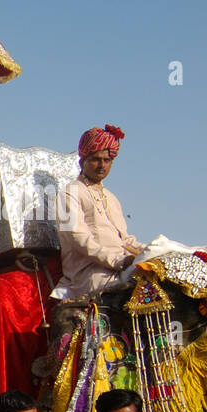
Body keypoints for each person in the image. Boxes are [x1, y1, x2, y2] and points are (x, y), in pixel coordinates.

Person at [54, 125, 145, 299]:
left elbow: (124, 240)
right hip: (89, 272)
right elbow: (78, 239)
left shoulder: (111, 198)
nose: (102, 165)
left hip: (120, 265)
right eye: (96, 159)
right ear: (83, 162)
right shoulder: (69, 193)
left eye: (107, 160)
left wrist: (152, 251)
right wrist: (118, 261)